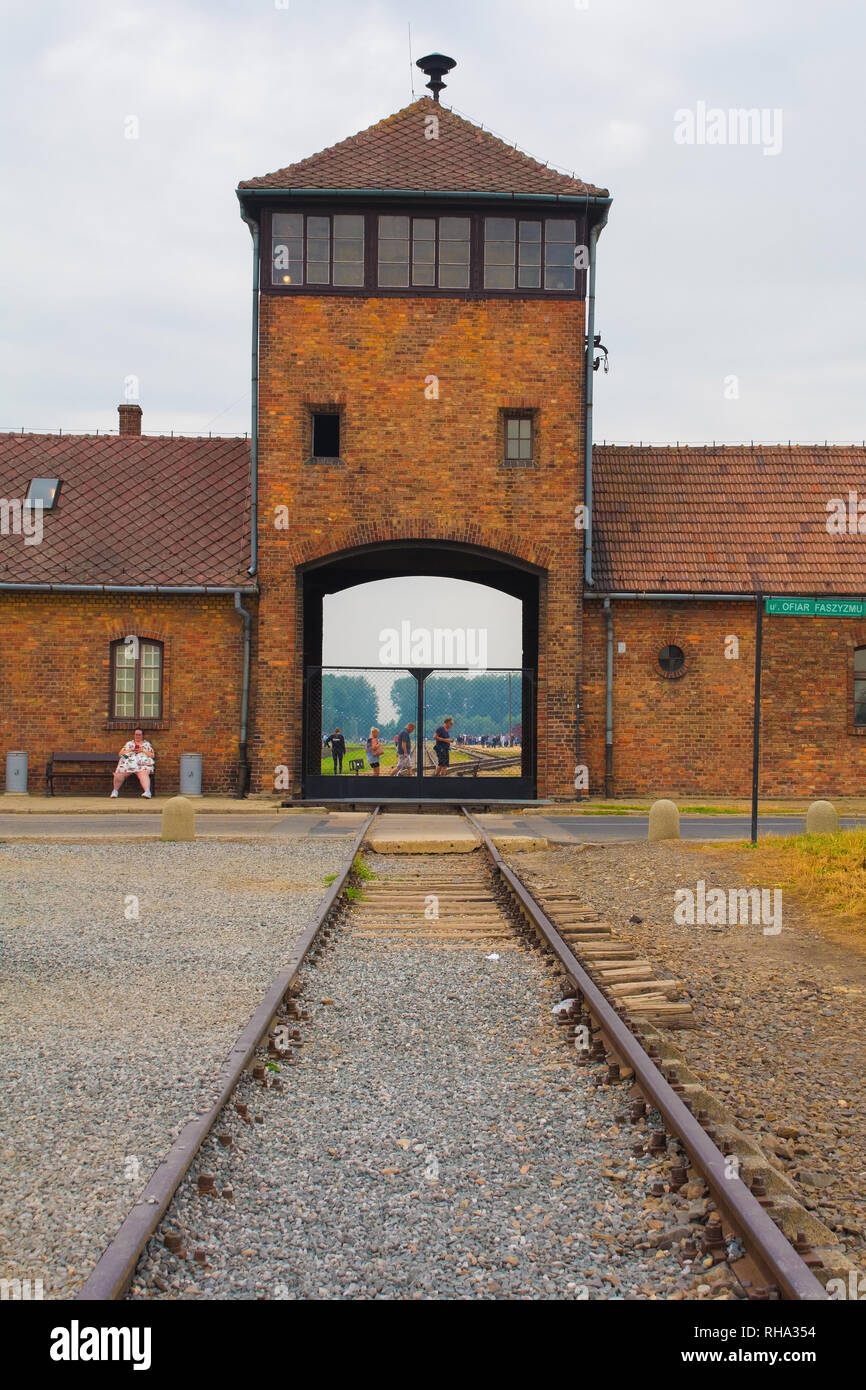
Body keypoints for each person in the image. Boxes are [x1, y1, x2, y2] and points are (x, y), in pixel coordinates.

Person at [111, 729, 155, 798]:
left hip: (142, 764)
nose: (137, 736)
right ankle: (115, 791)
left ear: (142, 736)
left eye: (139, 735)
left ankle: (147, 792)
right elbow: (120, 754)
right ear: (134, 735)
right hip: (128, 763)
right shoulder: (129, 744)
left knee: (143, 774)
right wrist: (131, 749)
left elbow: (152, 755)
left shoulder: (147, 744)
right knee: (119, 773)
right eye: (136, 734)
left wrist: (142, 750)